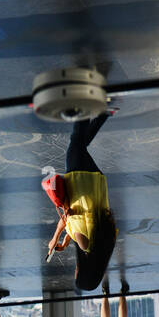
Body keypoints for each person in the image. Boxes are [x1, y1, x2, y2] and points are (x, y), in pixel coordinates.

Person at [45, 111, 117, 291]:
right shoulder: (85, 244)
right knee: (76, 142)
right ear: (83, 272)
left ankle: (104, 114)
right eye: (77, 275)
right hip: (81, 183)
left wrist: (65, 241)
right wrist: (55, 238)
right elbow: (69, 217)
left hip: (94, 182)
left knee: (80, 145)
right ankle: (83, 108)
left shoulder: (100, 247)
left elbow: (80, 224)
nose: (75, 272)